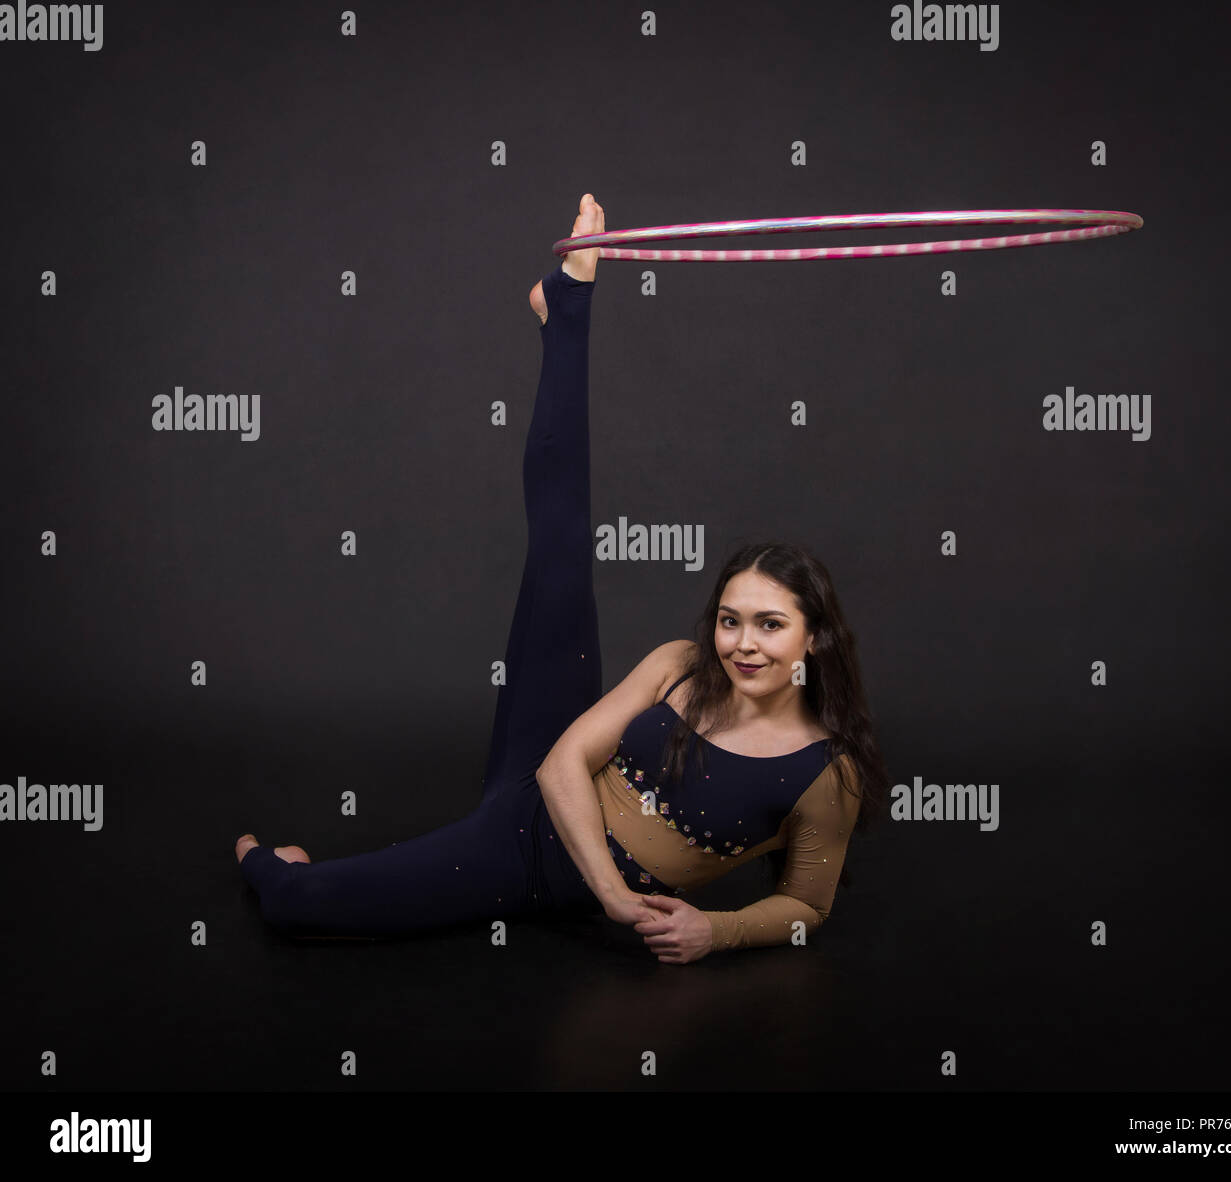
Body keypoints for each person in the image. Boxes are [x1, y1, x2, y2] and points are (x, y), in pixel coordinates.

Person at [236, 194, 889, 964]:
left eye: (770, 625)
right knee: (562, 551)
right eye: (730, 618)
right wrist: (615, 898)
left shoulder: (827, 772)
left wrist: (716, 929)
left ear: (815, 637)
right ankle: (571, 301)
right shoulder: (682, 665)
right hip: (526, 830)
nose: (741, 644)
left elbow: (807, 903)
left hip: (542, 865)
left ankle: (278, 869)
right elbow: (558, 764)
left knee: (305, 905)